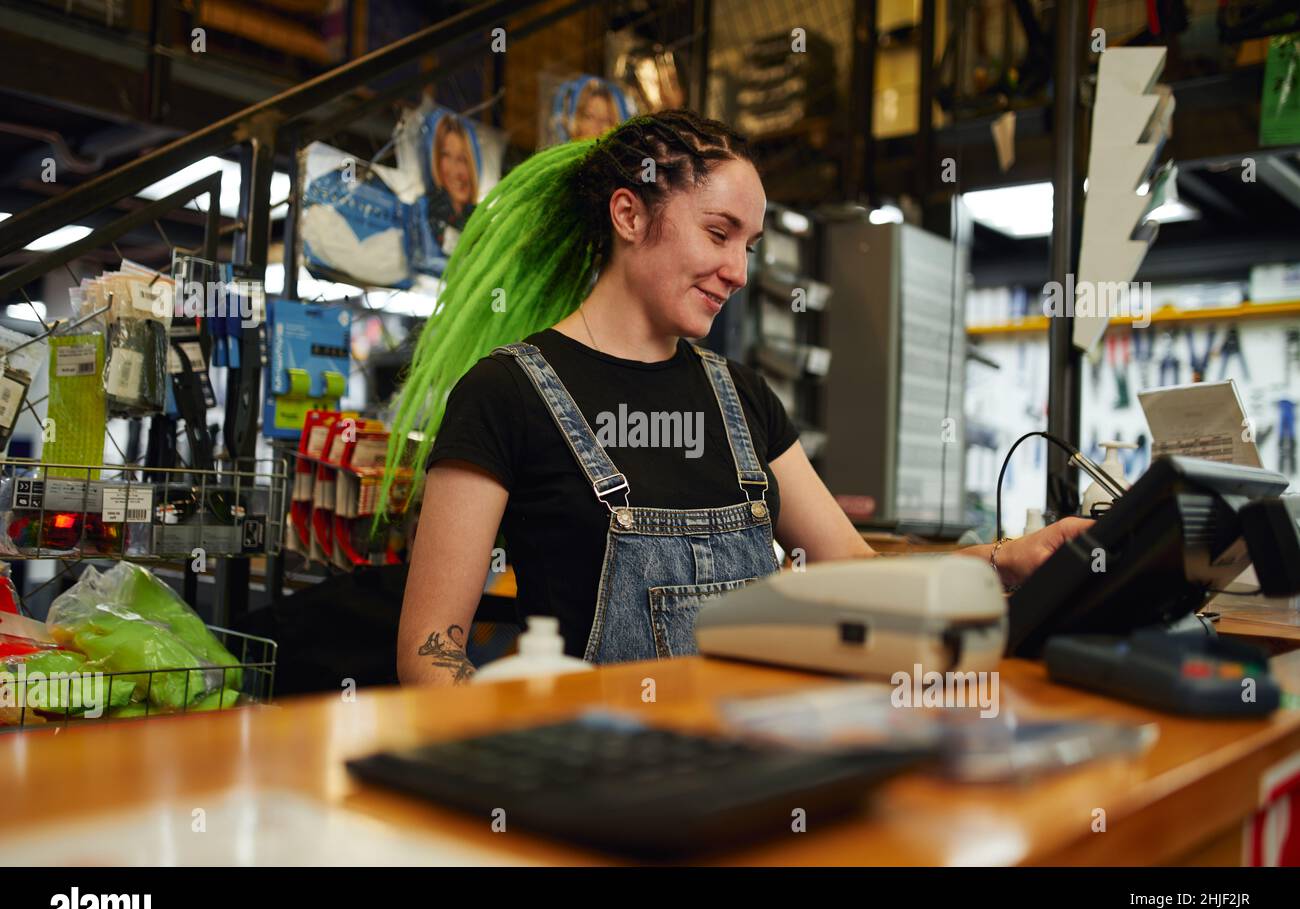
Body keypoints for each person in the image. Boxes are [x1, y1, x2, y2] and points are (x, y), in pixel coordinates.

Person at [380, 109, 1091, 686]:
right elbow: (430, 649)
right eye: (719, 233)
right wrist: (523, 756)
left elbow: (858, 575)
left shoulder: (741, 398)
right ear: (628, 216)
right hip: (599, 785)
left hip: (756, 762)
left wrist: (1010, 559)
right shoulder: (506, 394)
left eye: (749, 244)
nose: (739, 271)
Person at [425, 112, 478, 250]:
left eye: (463, 159)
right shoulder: (427, 211)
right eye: (446, 156)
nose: (456, 171)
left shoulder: (480, 220)